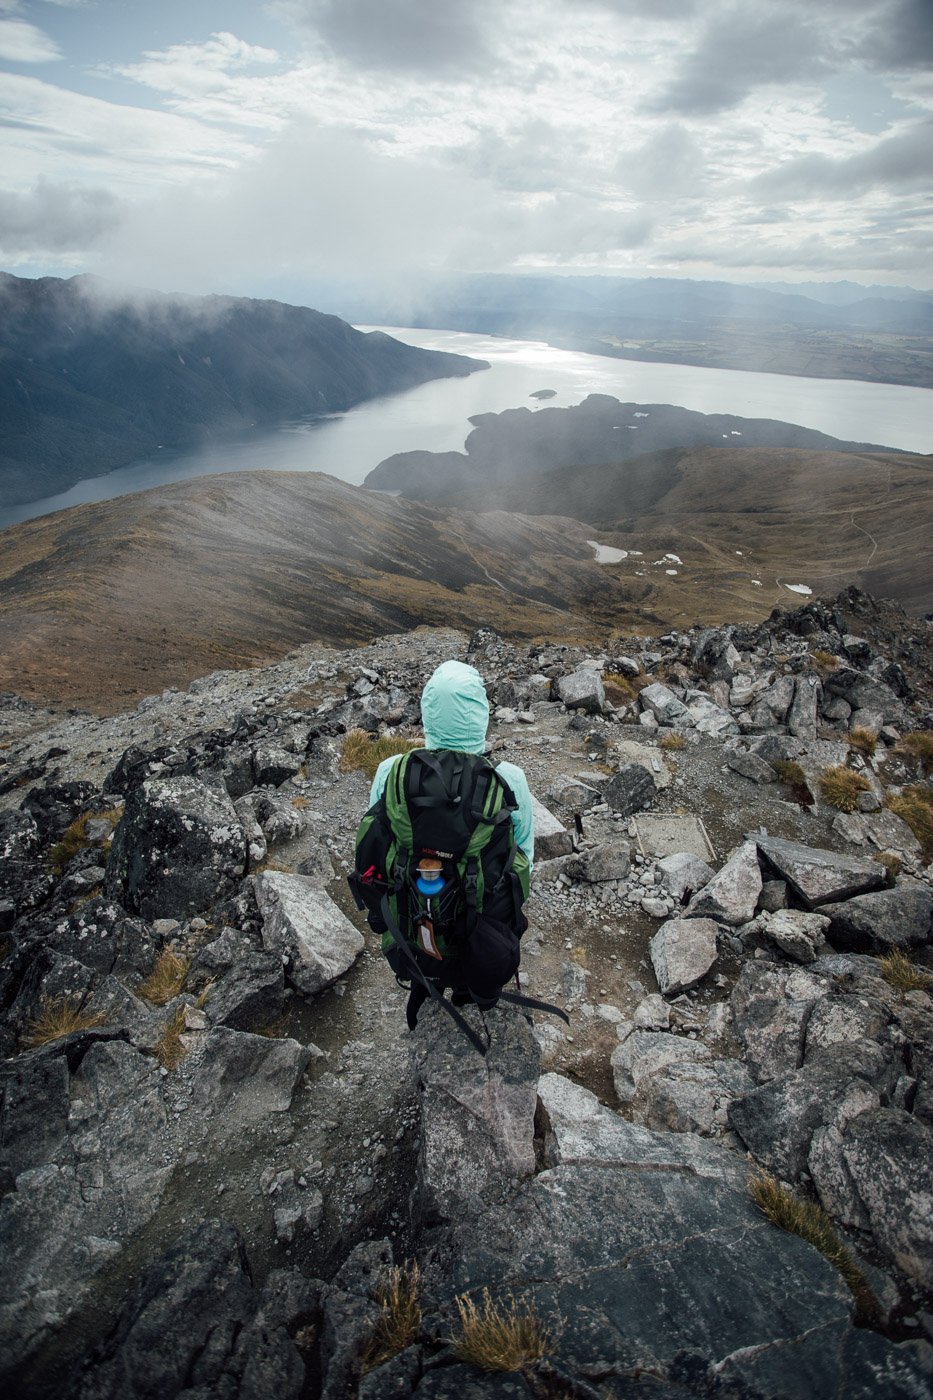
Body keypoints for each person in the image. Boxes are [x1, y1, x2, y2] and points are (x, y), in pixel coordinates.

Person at [366, 658, 535, 1034]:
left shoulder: (391, 771)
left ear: (428, 711)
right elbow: (524, 863)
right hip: (484, 932)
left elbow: (372, 852)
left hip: (410, 929)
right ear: (481, 712)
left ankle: (427, 982)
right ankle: (473, 987)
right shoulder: (508, 779)